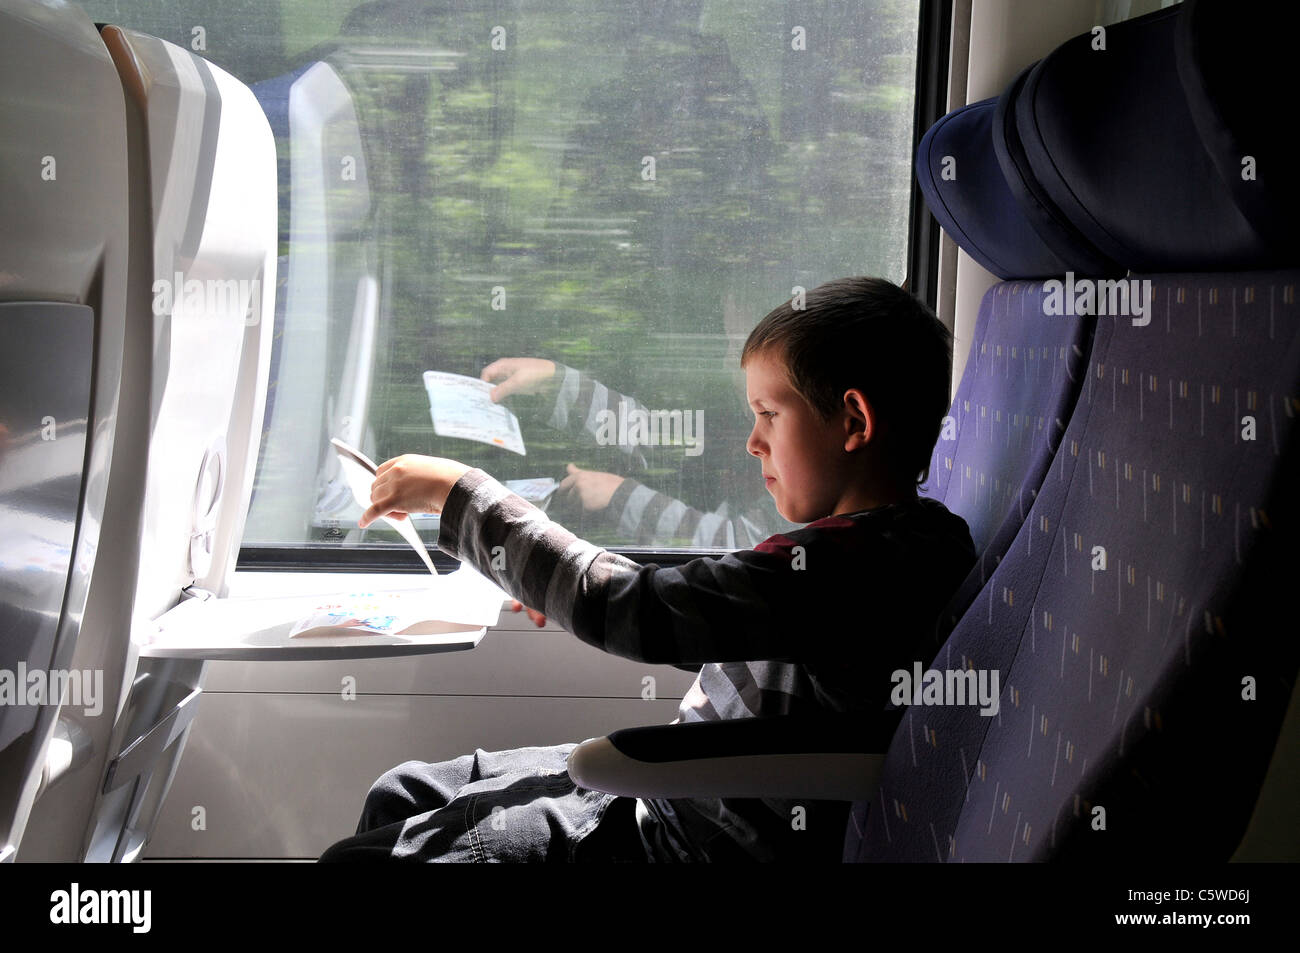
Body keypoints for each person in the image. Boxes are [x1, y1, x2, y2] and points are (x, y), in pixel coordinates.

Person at [317, 277, 977, 862]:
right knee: (400, 793)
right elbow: (714, 621)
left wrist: (461, 494)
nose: (753, 442)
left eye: (769, 415)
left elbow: (638, 611)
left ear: (854, 420)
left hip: (679, 830)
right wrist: (538, 576)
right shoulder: (877, 546)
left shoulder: (853, 567)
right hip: (675, 789)